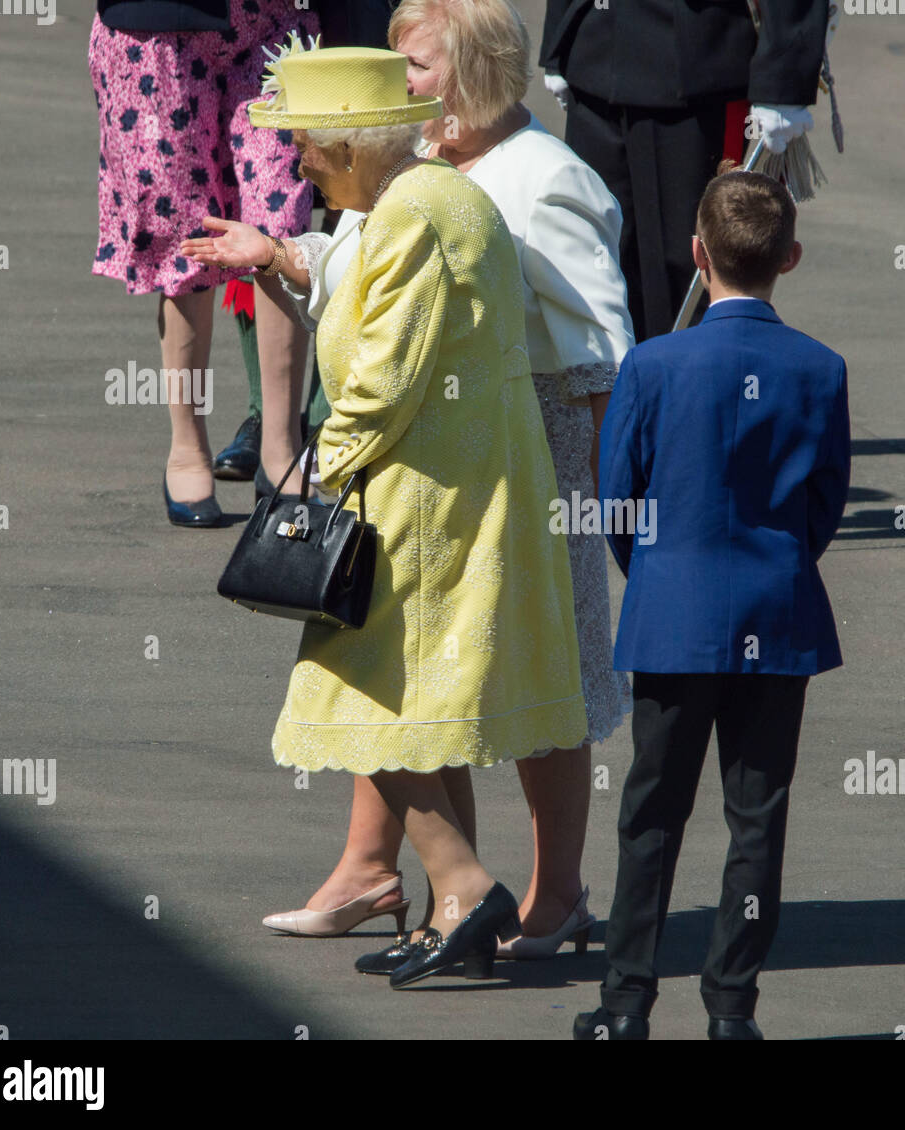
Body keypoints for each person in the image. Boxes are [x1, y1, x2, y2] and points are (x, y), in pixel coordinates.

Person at [185, 0, 635, 963]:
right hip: (438, 464)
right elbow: (366, 299)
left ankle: (531, 896)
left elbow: (588, 347)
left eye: (419, 66)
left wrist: (598, 488)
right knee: (439, 695)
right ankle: (441, 898)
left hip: (503, 464)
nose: (298, 163)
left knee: (517, 686)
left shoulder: (513, 183)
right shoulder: (409, 187)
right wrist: (282, 260)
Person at [576, 172, 851, 1040]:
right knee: (756, 818)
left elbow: (618, 500)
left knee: (652, 813)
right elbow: (824, 505)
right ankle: (733, 1009)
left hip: (673, 610)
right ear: (790, 259)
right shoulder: (819, 368)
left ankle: (626, 1001)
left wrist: (654, 571)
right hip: (778, 607)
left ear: (698, 254)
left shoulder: (653, 364)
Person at [88, 0, 318, 524]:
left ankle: (281, 445)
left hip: (277, 21)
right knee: (184, 237)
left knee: (281, 222)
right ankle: (187, 445)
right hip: (156, 28)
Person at [540, 0, 830, 341]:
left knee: (692, 267)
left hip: (697, 60)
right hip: (595, 49)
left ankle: (690, 390)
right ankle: (615, 392)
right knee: (594, 259)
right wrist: (561, 28)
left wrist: (785, 69)